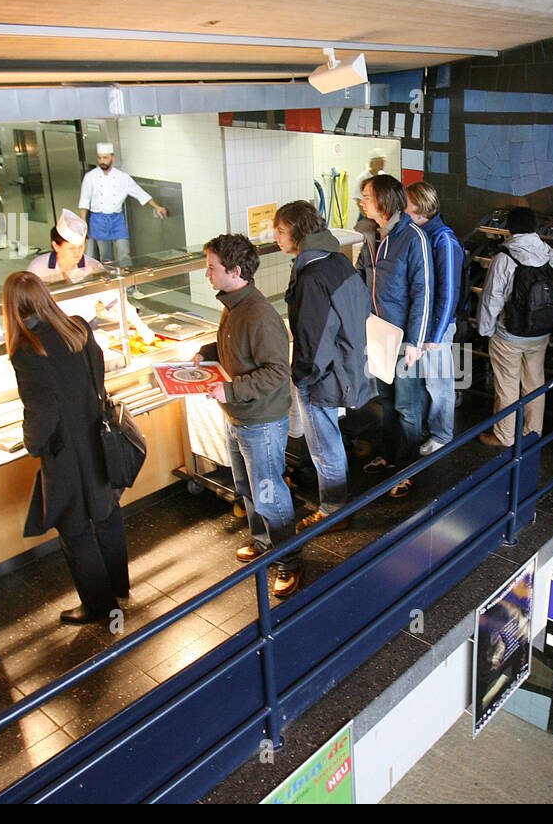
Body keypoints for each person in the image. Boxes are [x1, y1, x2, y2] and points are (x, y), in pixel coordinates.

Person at [2, 271, 129, 625]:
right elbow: (98, 372)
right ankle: (119, 586)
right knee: (106, 512)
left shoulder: (28, 349)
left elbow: (40, 410)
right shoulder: (76, 327)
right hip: (96, 436)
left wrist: (32, 444)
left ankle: (99, 606)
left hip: (65, 451)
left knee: (74, 528)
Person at [194, 234, 301, 598]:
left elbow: (276, 372)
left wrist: (230, 390)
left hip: (261, 422)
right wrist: (208, 351)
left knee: (269, 493)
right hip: (238, 417)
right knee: (249, 489)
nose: (207, 274)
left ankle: (289, 561)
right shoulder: (233, 305)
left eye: (212, 267)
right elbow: (235, 347)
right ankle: (263, 543)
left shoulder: (258, 314)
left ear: (235, 271)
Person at [274, 201, 370, 535]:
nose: (275, 237)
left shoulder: (311, 275)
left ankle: (334, 510)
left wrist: (303, 376)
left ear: (298, 232)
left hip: (321, 375)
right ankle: (338, 503)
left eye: (281, 230)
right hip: (344, 364)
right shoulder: (337, 260)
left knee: (323, 443)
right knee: (329, 438)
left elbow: (312, 336)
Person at [356, 173, 432, 498]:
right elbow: (360, 275)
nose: (362, 202)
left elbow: (423, 291)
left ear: (384, 201)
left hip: (403, 339)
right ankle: (388, 456)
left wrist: (415, 342)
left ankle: (407, 466)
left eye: (367, 197)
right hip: (378, 334)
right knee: (385, 402)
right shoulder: (370, 235)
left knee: (407, 406)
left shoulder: (413, 237)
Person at [476, 206, 553, 448]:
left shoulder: (505, 258)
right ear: (535, 227)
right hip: (541, 332)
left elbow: (491, 299)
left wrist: (485, 330)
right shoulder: (550, 254)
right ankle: (532, 433)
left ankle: (505, 436)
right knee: (534, 383)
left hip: (510, 335)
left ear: (510, 228)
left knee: (507, 386)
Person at [27, 208, 155, 341]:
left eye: (81, 247)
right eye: (71, 248)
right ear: (56, 246)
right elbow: (26, 306)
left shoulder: (93, 267)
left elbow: (115, 301)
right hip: (51, 331)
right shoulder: (37, 268)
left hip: (87, 328)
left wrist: (139, 324)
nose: (78, 253)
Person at [405, 181, 465, 456]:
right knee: (428, 381)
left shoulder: (443, 240)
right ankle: (434, 429)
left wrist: (436, 335)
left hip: (435, 328)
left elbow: (449, 293)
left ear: (417, 207)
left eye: (404, 202)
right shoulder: (420, 234)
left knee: (439, 384)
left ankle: (442, 435)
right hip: (423, 326)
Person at [78, 142, 168, 268]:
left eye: (105, 158)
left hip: (117, 219)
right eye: (99, 158)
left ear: (112, 158)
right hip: (98, 220)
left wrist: (157, 207)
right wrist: (83, 224)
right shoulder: (90, 177)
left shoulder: (122, 177)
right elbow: (84, 202)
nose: (102, 161)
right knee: (106, 257)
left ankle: (129, 286)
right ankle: (111, 284)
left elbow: (140, 193)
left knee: (124, 254)